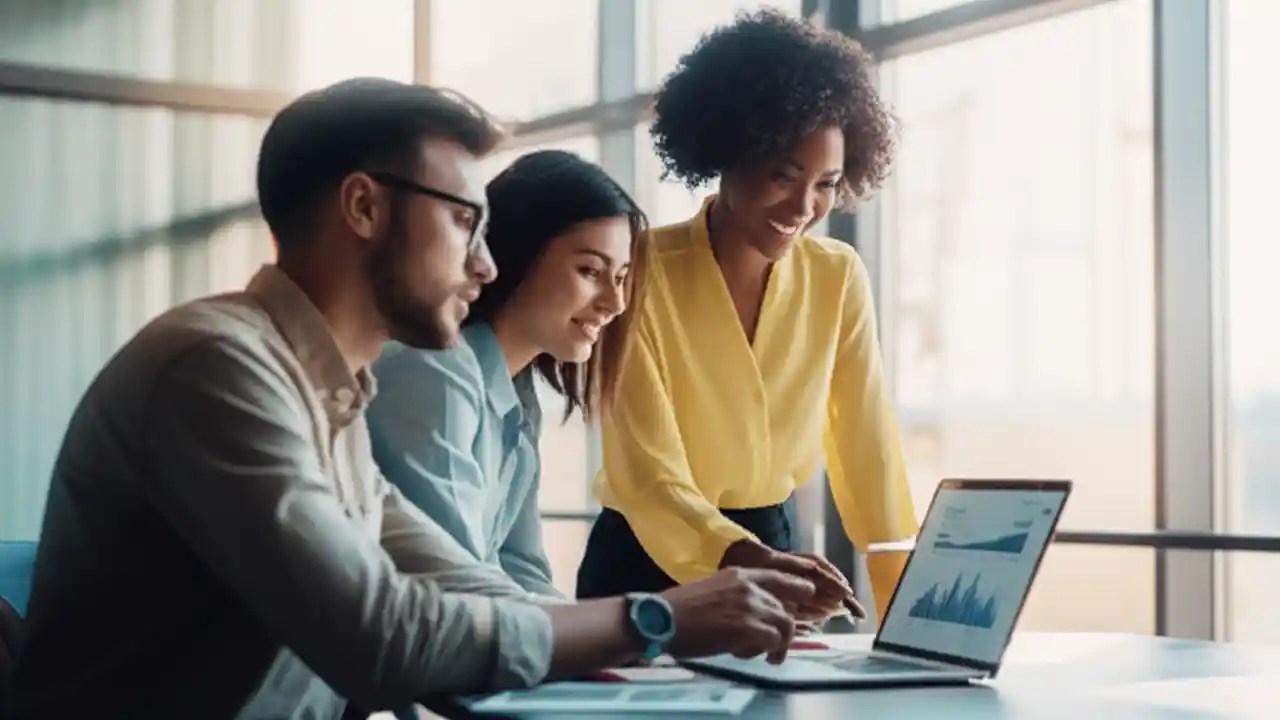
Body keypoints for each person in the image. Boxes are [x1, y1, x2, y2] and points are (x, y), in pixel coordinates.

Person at [10, 78, 817, 720]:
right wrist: (654, 619)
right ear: (363, 206)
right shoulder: (218, 370)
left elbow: (470, 584)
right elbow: (384, 637)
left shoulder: (330, 401)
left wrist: (670, 626)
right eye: (465, 222)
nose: (486, 265)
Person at [576, 10, 919, 621]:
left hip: (773, 548)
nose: (804, 206)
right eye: (784, 176)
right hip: (646, 561)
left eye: (826, 184)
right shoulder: (640, 269)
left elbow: (869, 450)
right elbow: (648, 474)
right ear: (729, 150)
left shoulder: (836, 276)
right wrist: (743, 557)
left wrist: (910, 605)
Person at [367, 150, 645, 598]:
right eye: (590, 270)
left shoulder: (518, 396)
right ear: (518, 254)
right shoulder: (432, 371)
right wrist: (633, 624)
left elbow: (521, 569)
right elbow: (460, 585)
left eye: (621, 277)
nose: (615, 303)